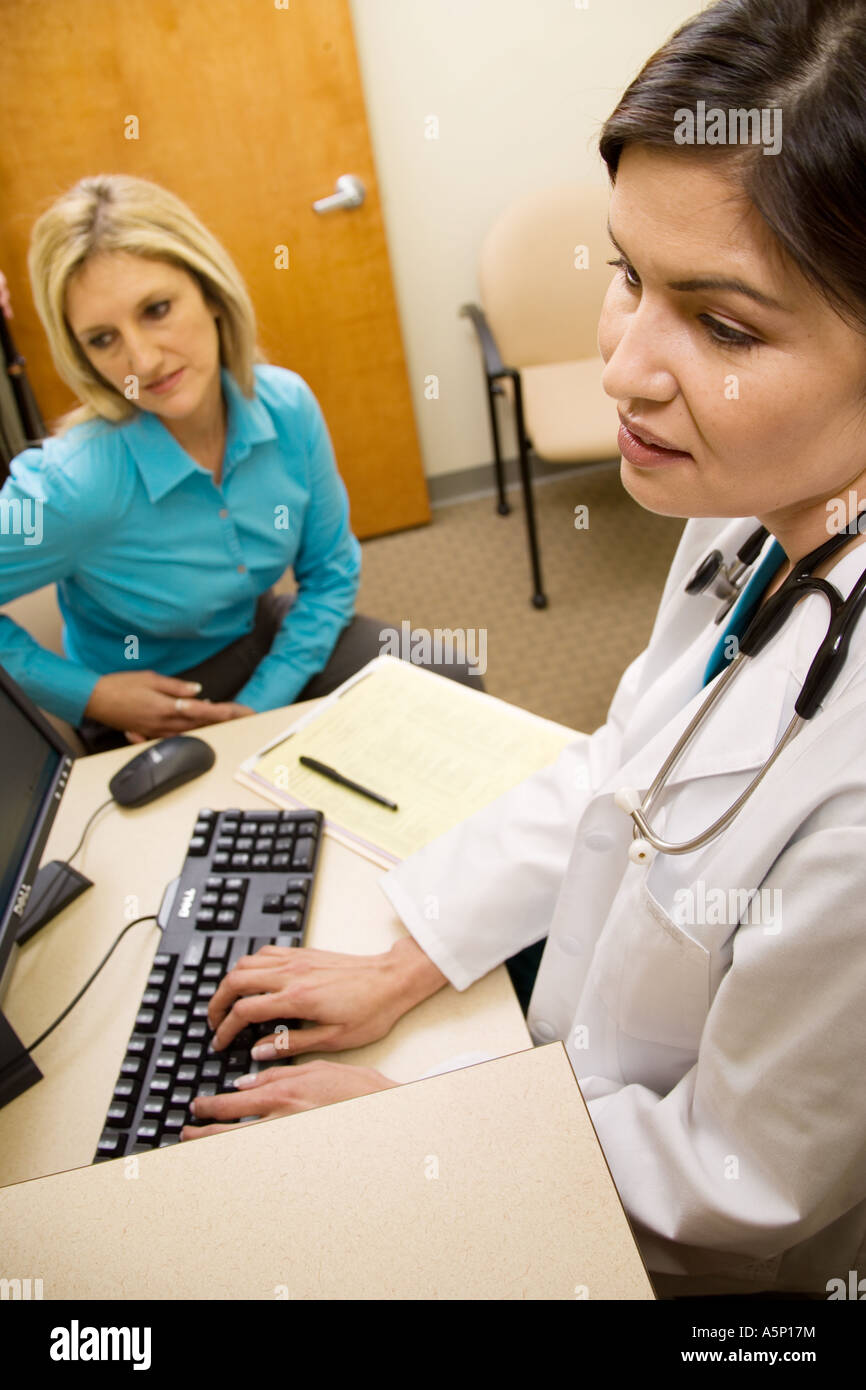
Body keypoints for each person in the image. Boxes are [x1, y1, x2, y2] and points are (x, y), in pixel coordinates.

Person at [179, 0, 866, 1298]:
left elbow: (739, 1174)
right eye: (626, 275)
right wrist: (411, 953)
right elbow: (631, 764)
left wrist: (430, 1135)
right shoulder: (761, 511)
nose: (619, 365)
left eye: (720, 328)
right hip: (565, 1061)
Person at [0, 175, 482, 754]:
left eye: (157, 310)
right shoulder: (74, 482)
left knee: (453, 687)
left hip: (263, 641)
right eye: (103, 339)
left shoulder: (285, 406)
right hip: (148, 710)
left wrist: (259, 704)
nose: (143, 360)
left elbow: (329, 572)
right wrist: (90, 694)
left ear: (209, 292)